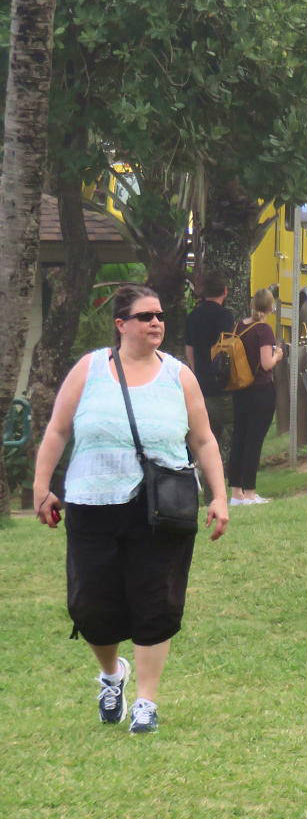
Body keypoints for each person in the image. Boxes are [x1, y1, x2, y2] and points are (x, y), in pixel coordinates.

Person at [32, 284, 230, 735]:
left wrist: (219, 496)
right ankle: (111, 675)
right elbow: (58, 431)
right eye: (145, 316)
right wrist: (42, 489)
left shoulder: (179, 376)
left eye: (159, 315)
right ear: (122, 325)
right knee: (91, 605)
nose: (156, 322)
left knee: (155, 598)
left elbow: (203, 440)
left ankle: (146, 701)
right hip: (91, 501)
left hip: (160, 506)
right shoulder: (90, 370)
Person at [226, 288, 283, 505]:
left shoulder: (239, 326)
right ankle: (250, 492)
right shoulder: (264, 330)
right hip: (260, 389)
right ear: (270, 307)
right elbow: (266, 363)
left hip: (240, 389)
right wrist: (277, 355)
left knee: (239, 438)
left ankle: (236, 492)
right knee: (254, 441)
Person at [183, 273, 235, 462]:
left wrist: (196, 373)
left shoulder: (192, 317)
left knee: (207, 437)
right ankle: (232, 474)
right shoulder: (225, 316)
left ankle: (209, 482)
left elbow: (189, 350)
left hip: (202, 383)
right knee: (233, 427)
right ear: (225, 292)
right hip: (223, 382)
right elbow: (229, 347)